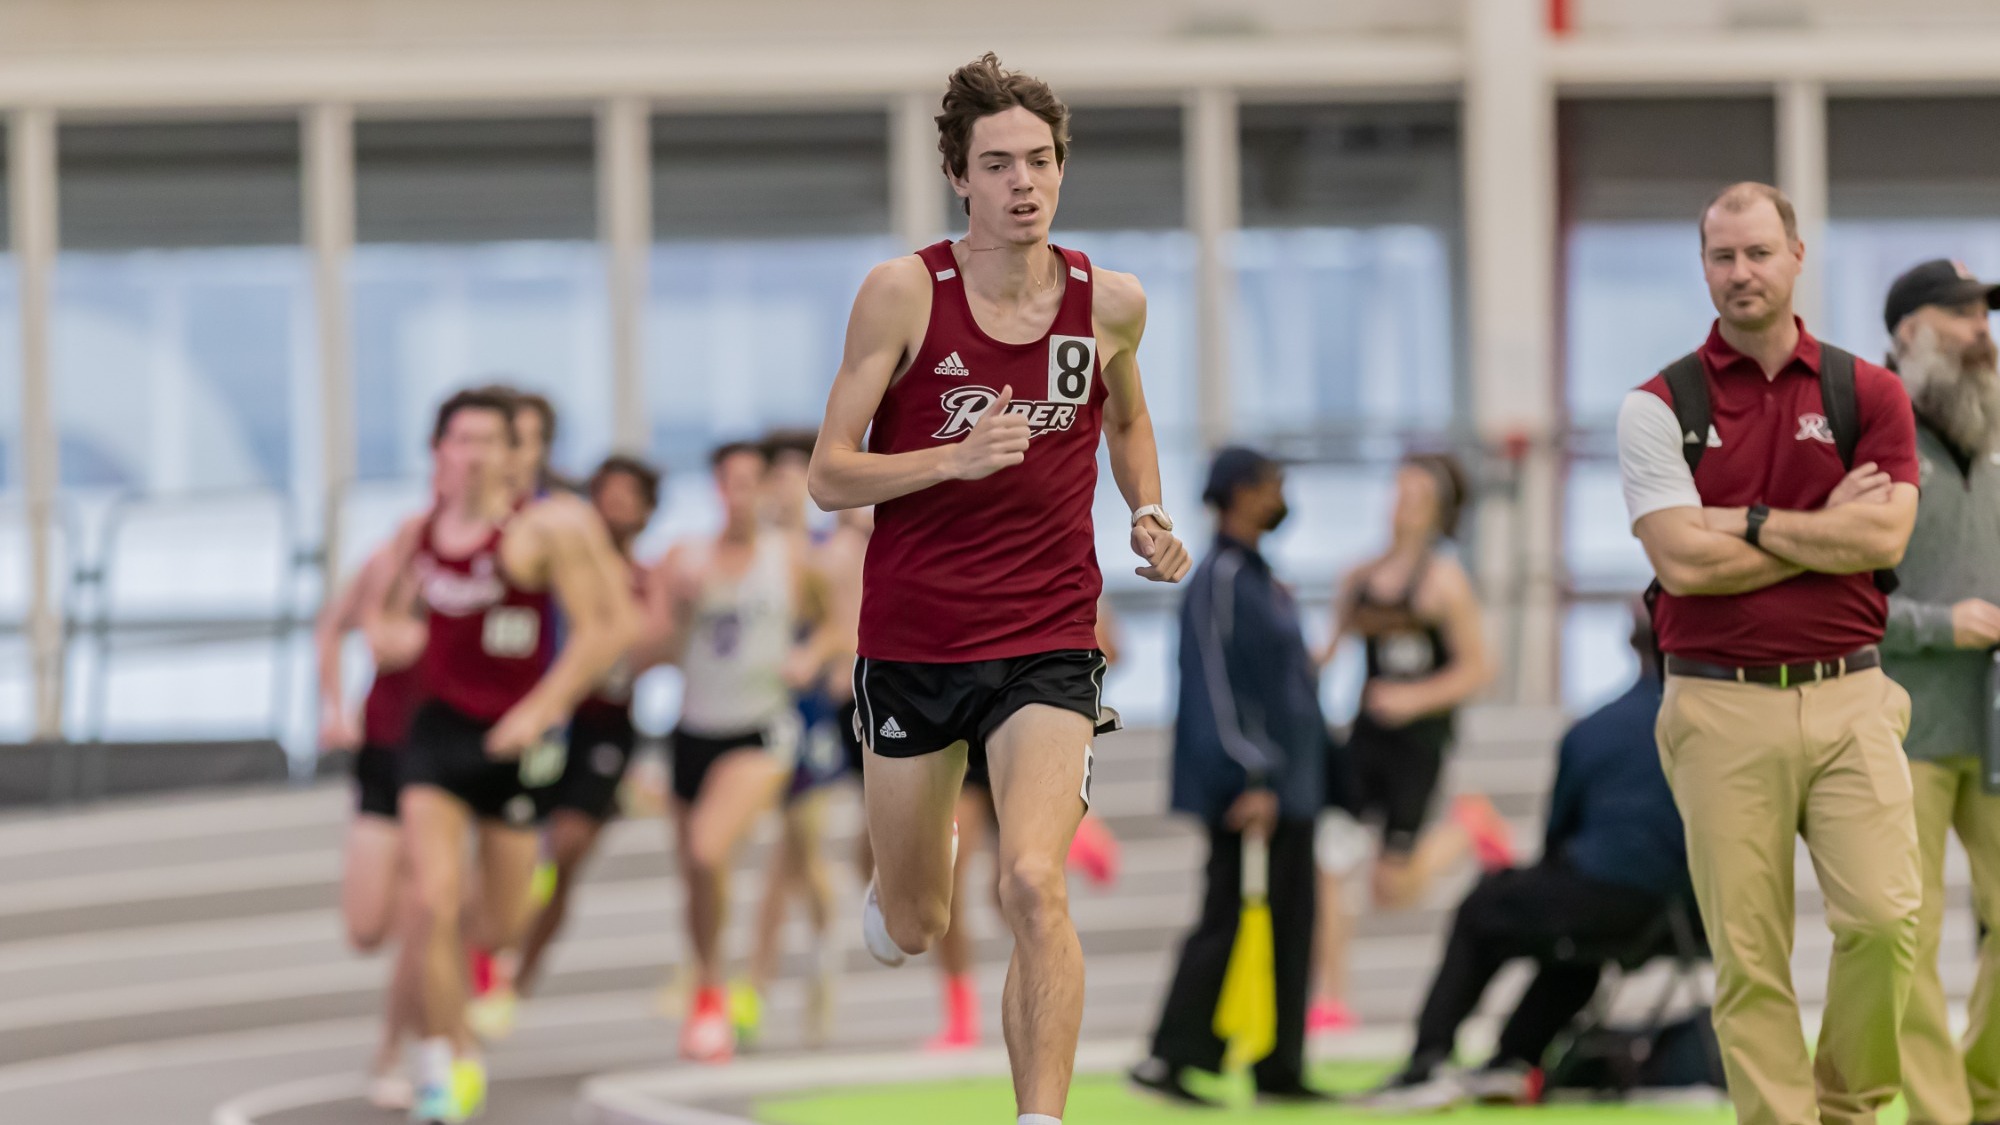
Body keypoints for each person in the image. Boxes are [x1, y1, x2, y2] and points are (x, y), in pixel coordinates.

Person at [806, 53, 1190, 1125]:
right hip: (915, 642)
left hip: (1047, 637)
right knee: (916, 922)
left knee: (1032, 880)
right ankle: (910, 867)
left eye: (1040, 160)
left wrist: (1149, 512)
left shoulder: (1111, 303)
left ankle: (1039, 1116)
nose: (1023, 182)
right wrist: (951, 458)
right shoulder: (902, 294)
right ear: (957, 177)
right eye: (997, 164)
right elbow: (828, 474)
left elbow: (1127, 418)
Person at [1617, 181, 1921, 1125]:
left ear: (1796, 256)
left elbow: (1885, 538)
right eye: (1723, 257)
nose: (1741, 272)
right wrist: (1820, 526)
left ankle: (1848, 1108)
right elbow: (1681, 561)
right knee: (1750, 959)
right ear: (1704, 268)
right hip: (1718, 704)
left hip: (1852, 694)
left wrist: (1742, 520)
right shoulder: (1658, 406)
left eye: (1758, 252)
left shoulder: (1868, 392)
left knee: (1887, 921)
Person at [378, 388, 637, 1124]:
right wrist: (391, 638)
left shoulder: (543, 531)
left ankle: (492, 944)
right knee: (429, 901)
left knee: (498, 925)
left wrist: (541, 709)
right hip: (436, 736)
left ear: (516, 453)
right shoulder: (418, 530)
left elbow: (607, 629)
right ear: (439, 451)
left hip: (514, 745)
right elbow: (385, 615)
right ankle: (447, 1057)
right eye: (460, 440)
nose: (475, 456)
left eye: (492, 441)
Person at [1363, 605, 1693, 1111]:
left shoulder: (1595, 728)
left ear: (1631, 644)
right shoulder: (1707, 727)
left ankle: (1427, 1061)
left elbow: (1558, 837)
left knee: (1487, 907)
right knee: (1576, 948)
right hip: (1686, 915)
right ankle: (1512, 1060)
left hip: (1607, 889)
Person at [1127, 447, 1326, 1106]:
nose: (1281, 498)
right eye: (1273, 486)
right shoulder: (1220, 578)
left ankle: (1279, 1065)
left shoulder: (1263, 579)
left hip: (1290, 786)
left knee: (1289, 925)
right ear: (1240, 493)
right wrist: (1252, 776)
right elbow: (1215, 688)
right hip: (1250, 789)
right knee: (1226, 918)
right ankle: (1172, 1054)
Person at [1308, 451, 1509, 1035]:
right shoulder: (1359, 578)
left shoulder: (1445, 582)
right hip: (1364, 740)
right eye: (1398, 492)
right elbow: (1327, 651)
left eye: (1417, 497)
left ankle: (1468, 829)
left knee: (1391, 889)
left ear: (1438, 510)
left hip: (1417, 746)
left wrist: (1413, 699)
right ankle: (1331, 997)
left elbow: (1478, 669)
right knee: (1328, 863)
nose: (1402, 505)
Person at [654, 440, 829, 1064]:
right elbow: (653, 647)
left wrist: (812, 653)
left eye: (753, 481)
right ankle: (708, 989)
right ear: (716, 488)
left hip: (761, 729)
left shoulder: (793, 558)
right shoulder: (685, 559)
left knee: (709, 850)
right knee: (696, 875)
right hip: (692, 729)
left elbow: (842, 619)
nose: (741, 494)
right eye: (731, 481)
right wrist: (678, 608)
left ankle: (751, 981)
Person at [1877, 259, 2000, 1125]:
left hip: (1995, 727)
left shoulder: (1993, 435)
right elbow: (1833, 593)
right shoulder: (1866, 432)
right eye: (1960, 314)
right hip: (1903, 725)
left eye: (1984, 314)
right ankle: (1939, 1113)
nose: (1981, 331)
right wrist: (1936, 624)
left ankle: (1986, 1093)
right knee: (1907, 937)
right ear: (1910, 330)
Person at [511, 455, 668, 1002]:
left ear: (646, 512)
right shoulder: (561, 566)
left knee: (566, 853)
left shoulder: (648, 580)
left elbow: (650, 648)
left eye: (629, 498)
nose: (616, 507)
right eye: (607, 496)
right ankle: (498, 944)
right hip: (549, 721)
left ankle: (520, 972)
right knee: (517, 849)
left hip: (605, 729)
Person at [741, 428, 852, 1050]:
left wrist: (816, 658)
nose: (781, 490)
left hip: (804, 719)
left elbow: (845, 627)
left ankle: (809, 969)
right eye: (773, 478)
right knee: (771, 858)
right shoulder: (741, 553)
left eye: (792, 477)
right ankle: (751, 985)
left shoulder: (821, 555)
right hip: (747, 717)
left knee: (799, 853)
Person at [315, 537, 427, 1110]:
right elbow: (335, 629)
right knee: (365, 930)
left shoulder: (492, 568)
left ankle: (394, 1048)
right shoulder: (390, 561)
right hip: (383, 751)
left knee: (420, 910)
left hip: (440, 759)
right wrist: (334, 709)